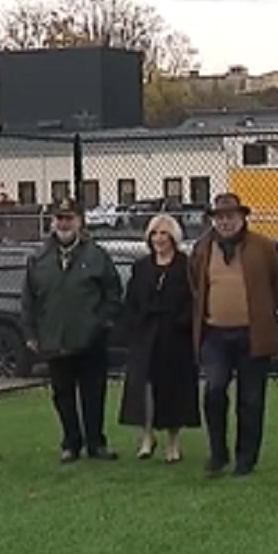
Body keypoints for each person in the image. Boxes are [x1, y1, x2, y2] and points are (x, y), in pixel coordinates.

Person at [188, 192, 278, 477]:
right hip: (215, 335)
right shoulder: (202, 248)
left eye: (230, 216)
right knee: (214, 390)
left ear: (242, 217)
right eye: (219, 217)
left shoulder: (264, 247)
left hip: (253, 335)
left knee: (251, 399)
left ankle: (246, 458)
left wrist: (261, 310)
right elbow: (195, 285)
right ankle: (218, 454)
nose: (225, 222)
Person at [22, 198, 124, 464]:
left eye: (69, 218)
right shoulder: (38, 258)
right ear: (52, 222)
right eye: (59, 218)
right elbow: (29, 300)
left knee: (94, 393)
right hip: (55, 339)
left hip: (90, 339)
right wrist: (31, 334)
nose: (64, 224)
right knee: (62, 395)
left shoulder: (97, 255)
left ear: (80, 221)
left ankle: (96, 443)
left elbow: (113, 293)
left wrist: (101, 323)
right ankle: (70, 443)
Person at [117, 214, 200, 464]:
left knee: (174, 389)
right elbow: (131, 300)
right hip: (145, 335)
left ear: (173, 237)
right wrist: (134, 326)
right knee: (144, 388)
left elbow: (193, 300)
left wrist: (181, 323)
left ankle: (173, 443)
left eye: (164, 234)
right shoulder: (141, 267)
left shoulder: (186, 266)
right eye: (154, 234)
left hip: (175, 337)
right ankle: (147, 436)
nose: (159, 239)